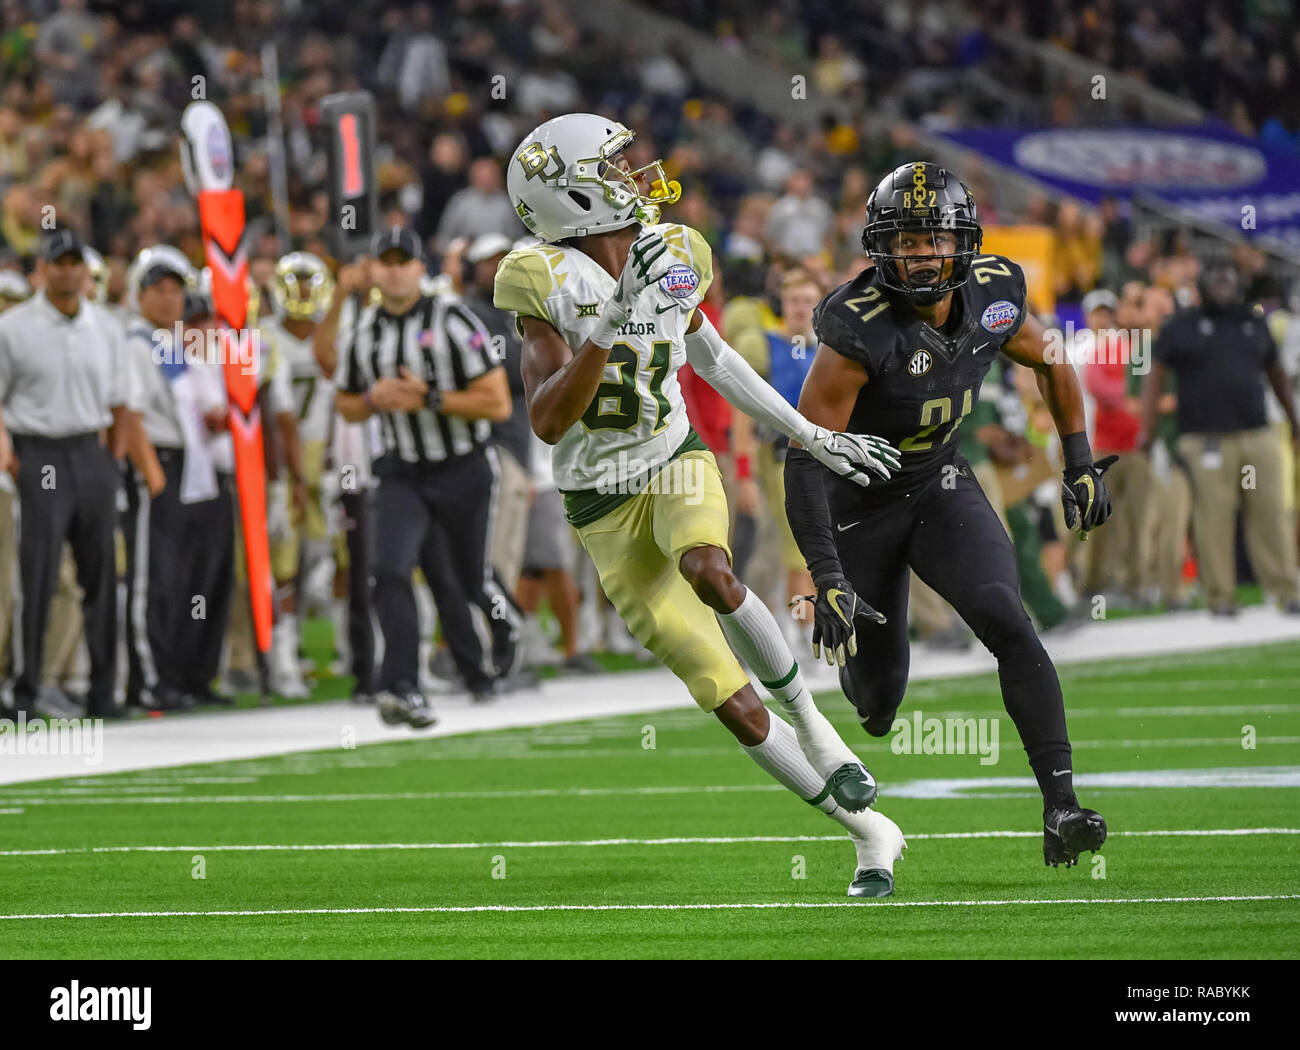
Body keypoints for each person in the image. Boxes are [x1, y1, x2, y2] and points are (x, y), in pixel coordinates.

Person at [495, 113, 906, 898]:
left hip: (674, 460)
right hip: (600, 506)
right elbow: (549, 418)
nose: (635, 177)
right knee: (730, 701)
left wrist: (813, 437)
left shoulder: (675, 250)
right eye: (613, 169)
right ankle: (868, 834)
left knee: (710, 568)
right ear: (570, 192)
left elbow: (713, 361)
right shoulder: (538, 278)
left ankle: (818, 729)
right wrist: (612, 320)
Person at [784, 163, 1114, 869]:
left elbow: (1051, 361)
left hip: (939, 484)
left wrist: (1079, 459)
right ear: (882, 247)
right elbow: (804, 457)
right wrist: (827, 575)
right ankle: (867, 684)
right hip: (860, 507)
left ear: (961, 242)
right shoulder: (857, 327)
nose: (922, 254)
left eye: (933, 238)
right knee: (878, 703)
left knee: (1008, 619)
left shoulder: (994, 292)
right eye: (906, 240)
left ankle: (1061, 805)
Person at [336, 226, 522, 725]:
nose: (395, 270)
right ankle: (402, 685)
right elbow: (346, 402)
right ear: (373, 270)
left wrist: (430, 398)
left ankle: (506, 630)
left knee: (468, 580)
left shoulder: (454, 320)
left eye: (405, 261)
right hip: (401, 471)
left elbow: (498, 401)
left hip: (463, 466)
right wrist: (374, 400)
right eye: (386, 261)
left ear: (422, 269)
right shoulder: (364, 332)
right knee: (390, 570)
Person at [0, 229, 141, 718]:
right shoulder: (14, 327)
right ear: (44, 268)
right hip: (39, 453)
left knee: (102, 576)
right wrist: (15, 460)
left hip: (90, 450)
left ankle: (103, 692)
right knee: (37, 577)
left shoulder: (105, 327)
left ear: (85, 269)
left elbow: (123, 401)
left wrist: (114, 462)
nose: (66, 271)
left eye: (74, 263)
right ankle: (26, 691)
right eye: (57, 263)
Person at [1139, 261, 1300, 615]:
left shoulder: (1253, 322)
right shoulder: (1182, 326)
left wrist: (1293, 420)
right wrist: (1146, 430)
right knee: (1214, 517)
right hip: (1205, 439)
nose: (1224, 284)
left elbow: (1276, 373)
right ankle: (1221, 596)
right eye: (1217, 278)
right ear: (1203, 285)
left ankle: (1287, 590)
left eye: (1229, 278)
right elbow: (1154, 376)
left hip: (1257, 433)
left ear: (1239, 285)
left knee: (1272, 511)